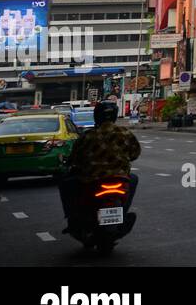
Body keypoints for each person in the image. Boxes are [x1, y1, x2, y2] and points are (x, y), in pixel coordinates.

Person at [59, 100, 140, 233]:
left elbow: (75, 157)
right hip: (119, 178)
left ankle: (72, 217)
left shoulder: (88, 136)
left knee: (66, 182)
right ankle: (123, 213)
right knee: (134, 179)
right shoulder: (125, 133)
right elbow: (135, 153)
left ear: (96, 116)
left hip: (91, 179)